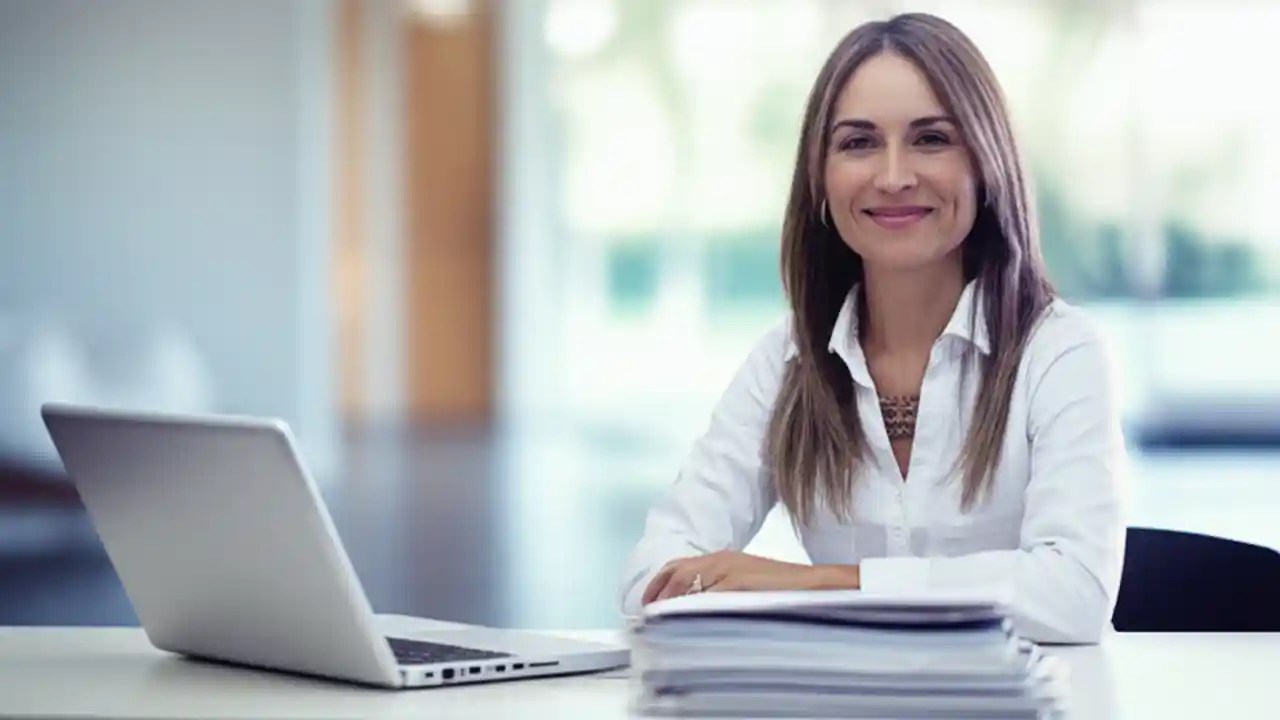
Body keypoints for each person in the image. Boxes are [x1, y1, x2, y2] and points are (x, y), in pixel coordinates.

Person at [618, 12, 1127, 644]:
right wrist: (713, 588)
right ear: (820, 180)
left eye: (932, 139)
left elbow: (1072, 598)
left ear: (986, 163)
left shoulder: (1059, 353)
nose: (892, 177)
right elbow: (650, 577)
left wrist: (821, 583)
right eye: (858, 143)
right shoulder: (789, 361)